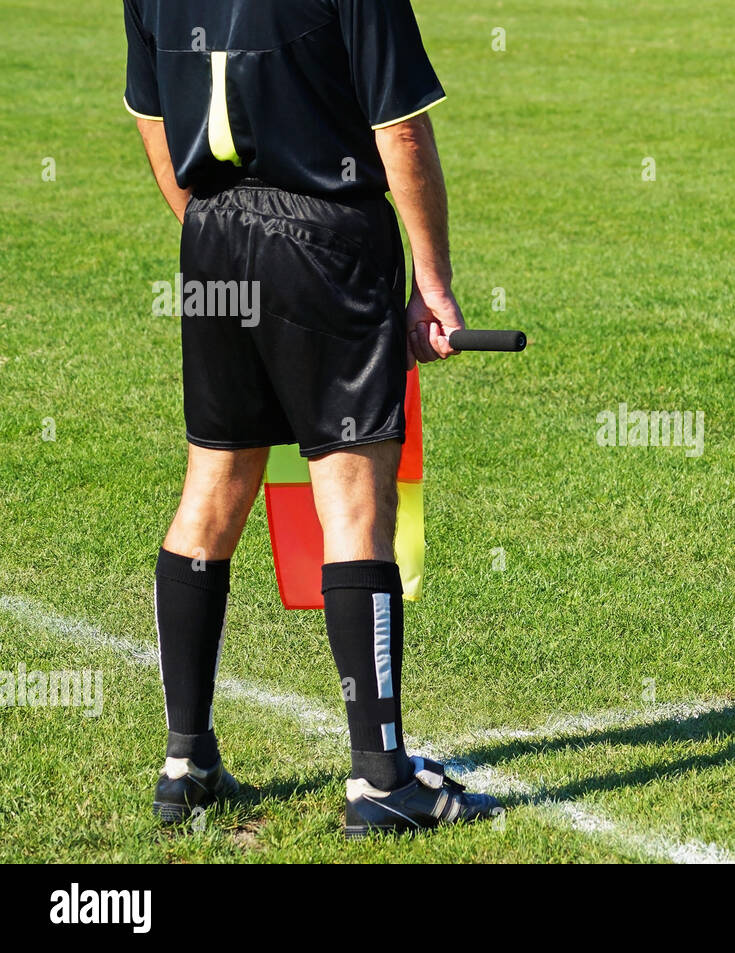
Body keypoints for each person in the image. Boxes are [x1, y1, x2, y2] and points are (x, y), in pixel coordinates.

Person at [123, 0, 502, 836]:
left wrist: (219, 238)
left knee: (211, 487)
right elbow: (400, 131)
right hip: (330, 236)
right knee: (354, 501)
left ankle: (186, 764)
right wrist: (431, 284)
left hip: (213, 235)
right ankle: (381, 782)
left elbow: (154, 123)